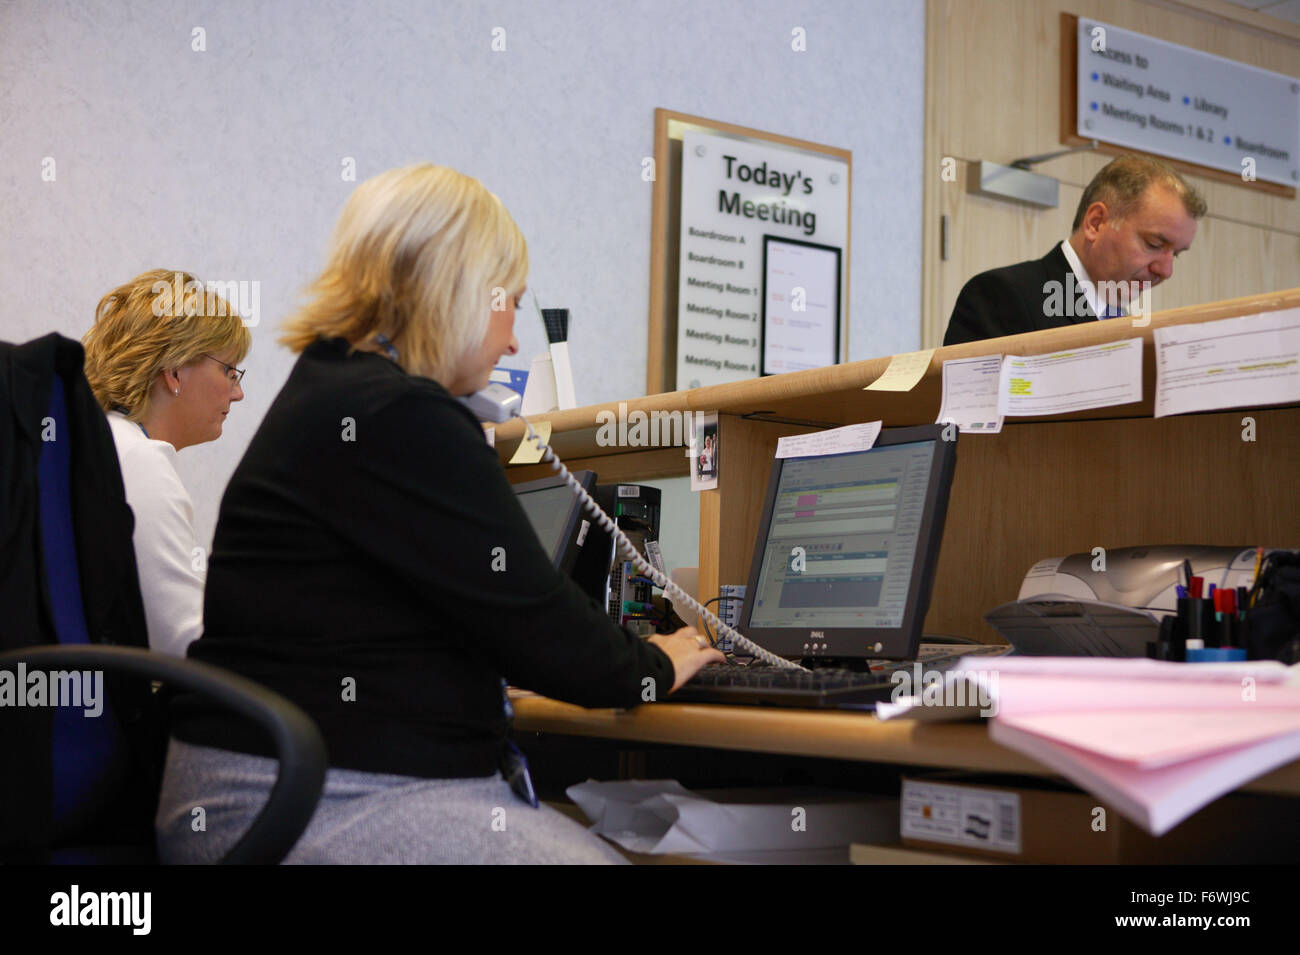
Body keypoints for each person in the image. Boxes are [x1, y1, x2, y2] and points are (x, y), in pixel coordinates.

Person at [155, 163, 724, 864]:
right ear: (458, 287)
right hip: (305, 795)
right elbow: (543, 625)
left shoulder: (337, 390)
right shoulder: (395, 412)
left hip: (268, 782)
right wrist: (655, 662)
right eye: (509, 302)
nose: (514, 339)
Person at [81, 270, 249, 657]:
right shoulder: (138, 462)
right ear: (174, 372)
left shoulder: (104, 442)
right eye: (229, 371)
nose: (237, 393)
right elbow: (187, 641)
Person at [942, 155, 1206, 346]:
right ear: (1096, 223)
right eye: (1154, 245)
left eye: (1177, 254)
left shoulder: (1134, 330)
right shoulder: (1001, 296)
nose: (1166, 270)